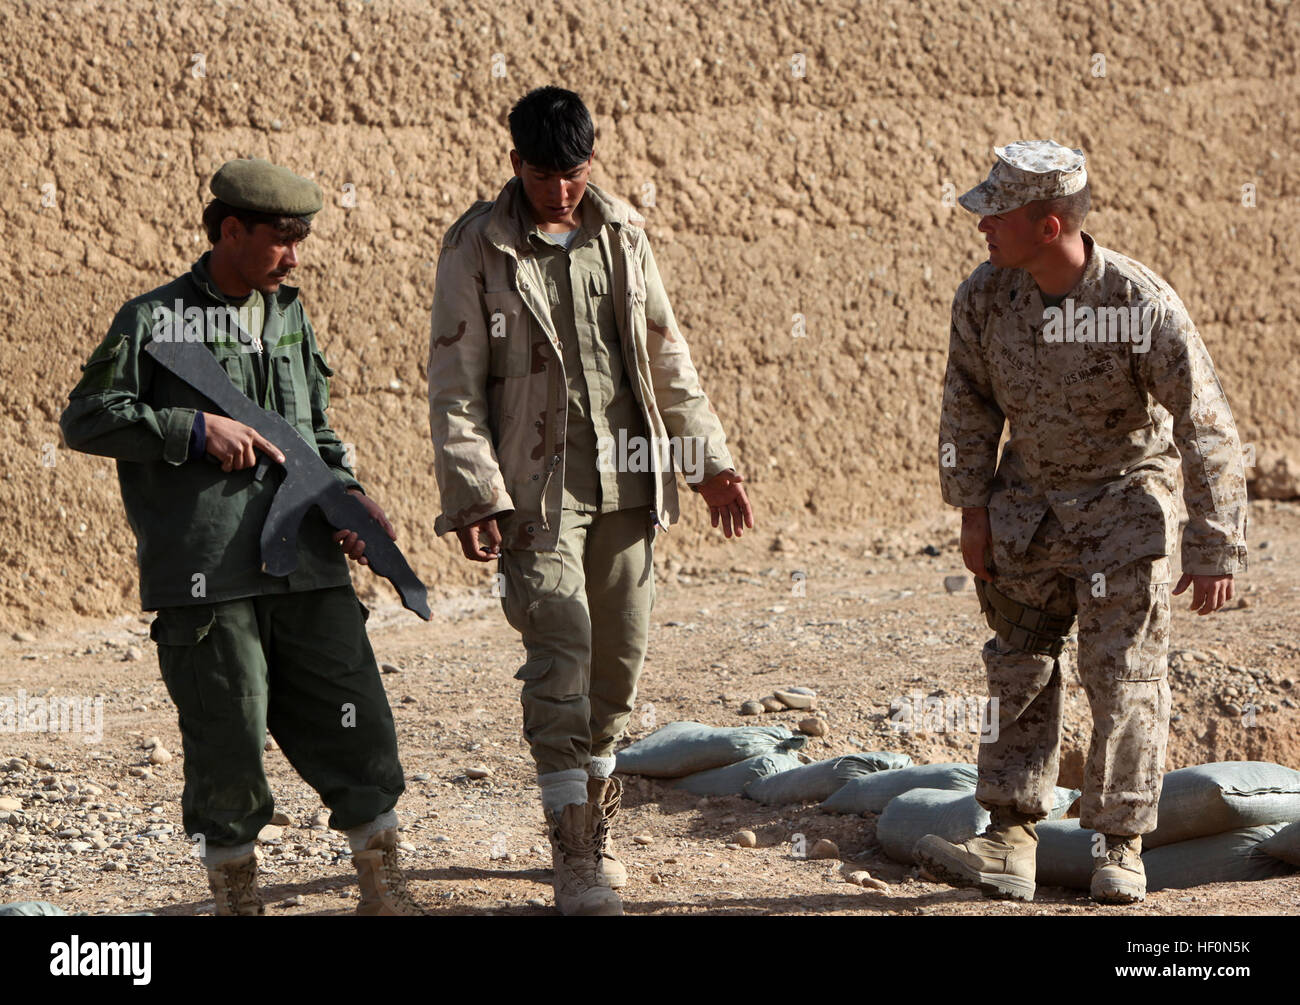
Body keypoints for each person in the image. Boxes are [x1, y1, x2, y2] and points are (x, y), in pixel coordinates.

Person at [59, 158, 426, 916]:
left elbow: (314, 429)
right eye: (282, 239)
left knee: (355, 718)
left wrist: (347, 495)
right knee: (228, 741)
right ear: (231, 230)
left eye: (302, 239)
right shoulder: (153, 320)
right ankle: (238, 903)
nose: (295, 256)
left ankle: (386, 893)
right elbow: (86, 417)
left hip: (310, 566)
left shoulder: (289, 316)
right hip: (210, 573)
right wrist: (190, 428)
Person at [427, 86, 753, 916]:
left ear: (591, 164)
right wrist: (475, 496)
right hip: (536, 490)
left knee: (618, 661)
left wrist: (707, 459)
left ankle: (595, 817)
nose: (560, 191)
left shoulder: (623, 233)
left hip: (629, 476)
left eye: (573, 174)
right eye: (544, 175)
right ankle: (575, 852)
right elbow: (455, 387)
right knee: (561, 648)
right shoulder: (477, 247)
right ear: (515, 166)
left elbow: (664, 352)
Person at [918, 140, 1248, 905]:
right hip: (1029, 512)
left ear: (1048, 223)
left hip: (1124, 511)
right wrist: (972, 511)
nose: (980, 225)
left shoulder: (1138, 304)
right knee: (1019, 667)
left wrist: (1214, 542)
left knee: (1124, 676)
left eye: (995, 213)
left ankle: (1118, 845)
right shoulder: (985, 297)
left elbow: (1206, 424)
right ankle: (1008, 837)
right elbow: (966, 407)